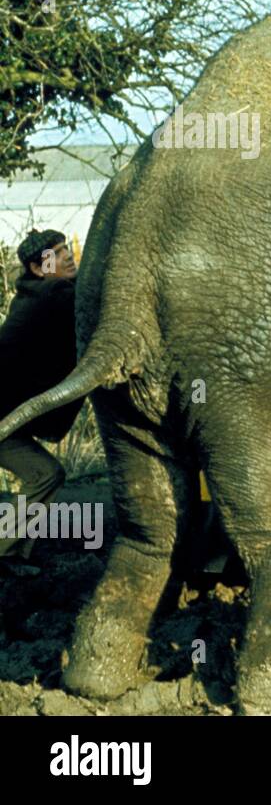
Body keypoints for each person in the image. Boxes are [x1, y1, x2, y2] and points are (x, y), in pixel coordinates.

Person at [0, 230, 83, 576]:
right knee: (46, 475)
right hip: (4, 421)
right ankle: (6, 555)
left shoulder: (35, 294)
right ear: (37, 267)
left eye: (66, 249)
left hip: (8, 419)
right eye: (56, 253)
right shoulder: (53, 294)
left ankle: (11, 555)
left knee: (47, 475)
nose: (66, 256)